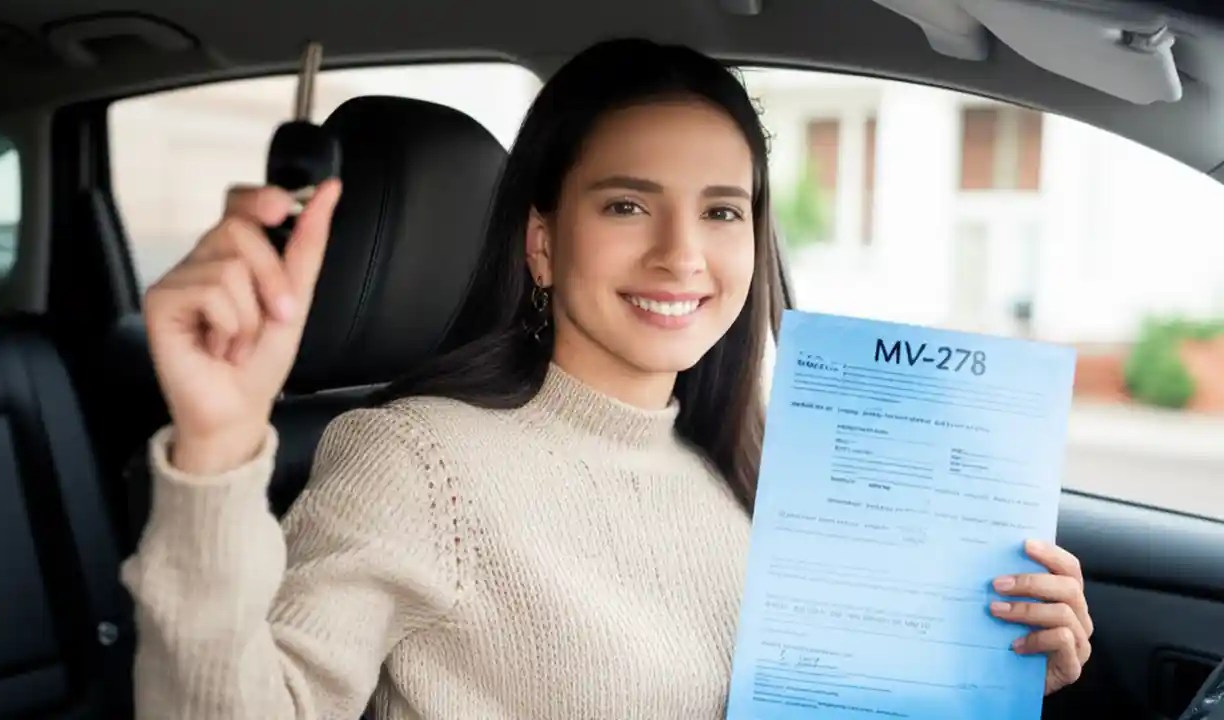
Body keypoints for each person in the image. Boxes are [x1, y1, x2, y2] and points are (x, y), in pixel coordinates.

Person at [124, 37, 1094, 719]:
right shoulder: (416, 460)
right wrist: (213, 451)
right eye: (628, 204)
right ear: (541, 243)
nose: (682, 253)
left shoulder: (771, 466)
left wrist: (984, 676)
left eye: (721, 212)